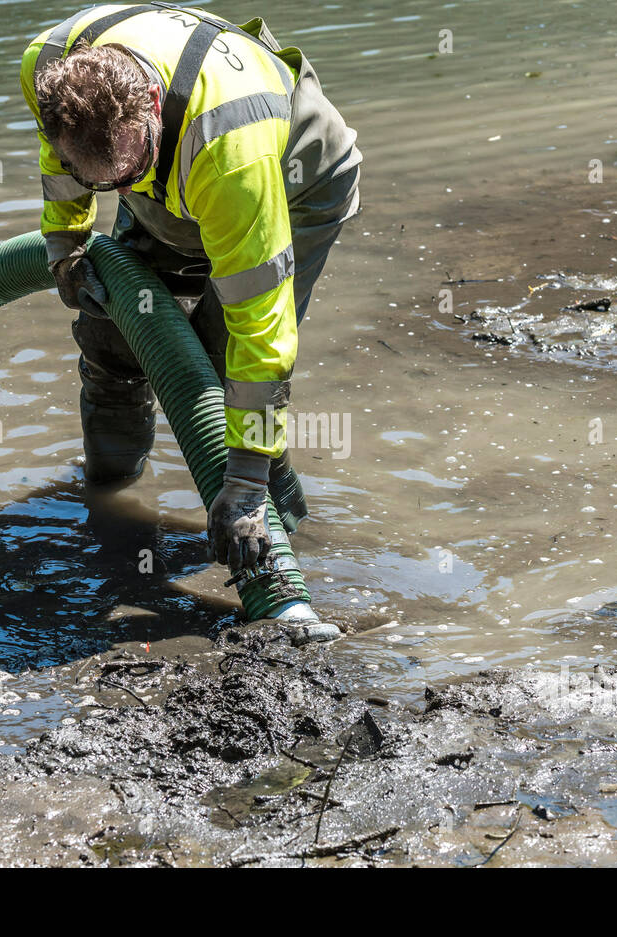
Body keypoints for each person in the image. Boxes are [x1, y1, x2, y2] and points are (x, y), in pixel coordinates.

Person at [20, 3, 361, 595]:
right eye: (104, 184)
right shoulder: (49, 69)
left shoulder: (232, 150)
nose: (119, 194)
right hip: (170, 162)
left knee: (216, 358)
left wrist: (247, 477)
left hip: (294, 179)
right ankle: (110, 502)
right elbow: (63, 163)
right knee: (114, 331)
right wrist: (66, 241)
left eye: (126, 174)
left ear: (150, 107)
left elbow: (262, 325)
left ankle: (278, 546)